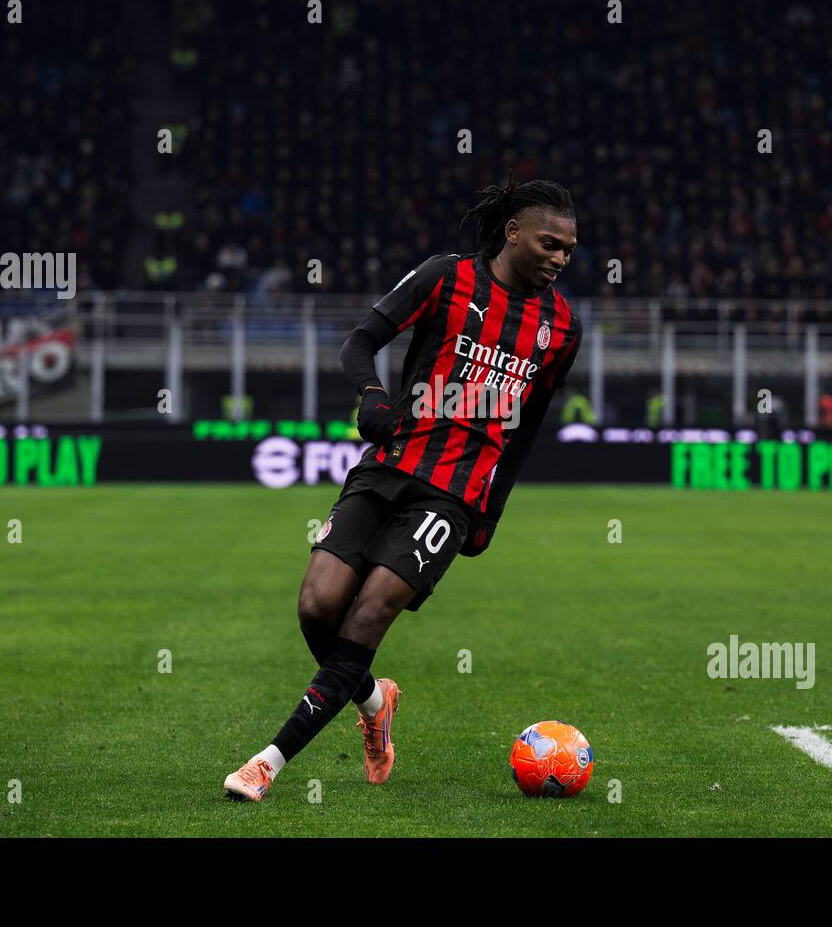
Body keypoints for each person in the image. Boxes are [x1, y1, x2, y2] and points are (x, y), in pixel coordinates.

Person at [224, 177, 583, 801]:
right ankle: (372, 699)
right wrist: (371, 394)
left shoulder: (562, 327)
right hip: (388, 465)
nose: (560, 259)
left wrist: (490, 512)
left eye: (570, 251)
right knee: (317, 605)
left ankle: (267, 762)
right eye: (550, 244)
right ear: (513, 232)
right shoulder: (446, 278)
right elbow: (360, 342)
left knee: (369, 610)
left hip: (454, 493)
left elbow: (525, 430)